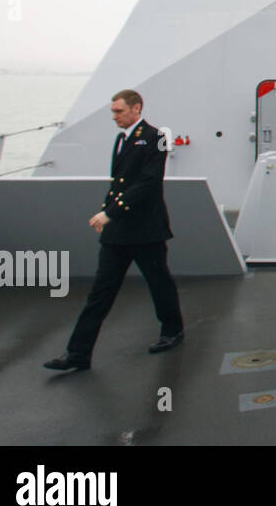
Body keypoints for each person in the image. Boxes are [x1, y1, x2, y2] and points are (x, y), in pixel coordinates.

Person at [44, 90, 184, 371]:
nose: (114, 117)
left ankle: (172, 330)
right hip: (119, 232)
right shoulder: (122, 139)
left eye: (119, 111)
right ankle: (78, 354)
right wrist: (108, 211)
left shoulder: (155, 138)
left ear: (136, 108)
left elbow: (148, 183)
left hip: (146, 231)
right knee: (100, 293)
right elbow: (119, 182)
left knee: (159, 283)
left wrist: (110, 212)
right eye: (113, 112)